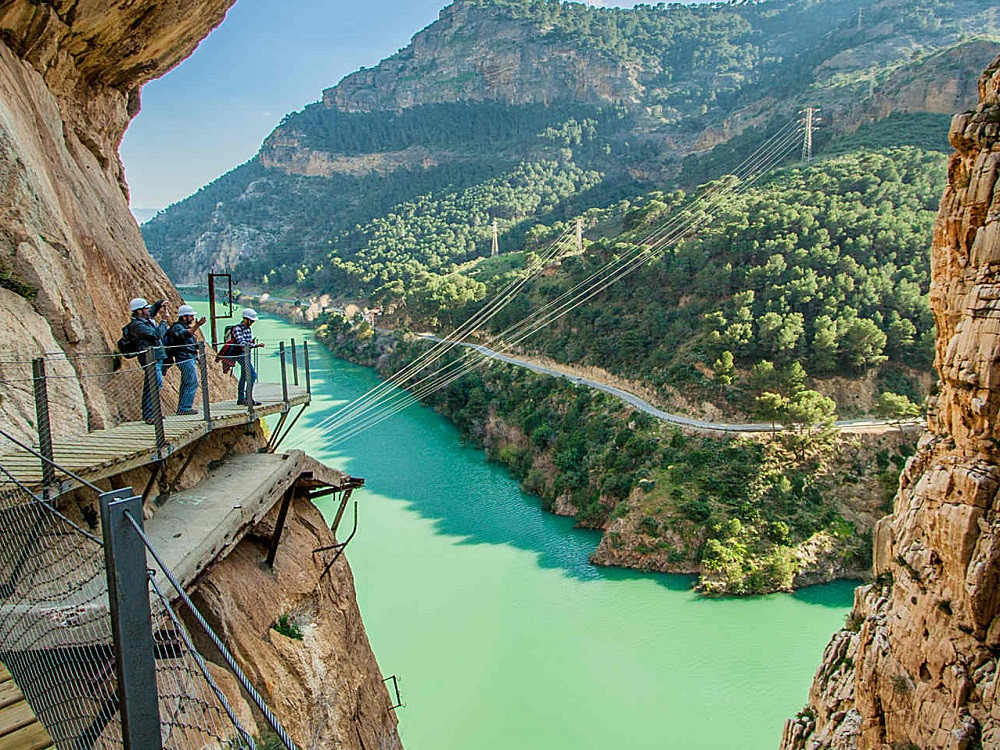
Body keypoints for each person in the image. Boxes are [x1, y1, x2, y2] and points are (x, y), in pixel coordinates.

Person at [127, 297, 169, 423]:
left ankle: (152, 413)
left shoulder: (144, 320)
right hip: (150, 358)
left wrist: (159, 304)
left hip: (155, 357)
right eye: (146, 308)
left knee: (153, 384)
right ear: (139, 311)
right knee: (154, 384)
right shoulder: (137, 325)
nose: (148, 310)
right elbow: (157, 335)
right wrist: (164, 321)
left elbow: (152, 311)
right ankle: (149, 414)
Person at [167, 305, 207, 415]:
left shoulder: (183, 327)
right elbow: (183, 336)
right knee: (191, 382)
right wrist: (197, 326)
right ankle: (184, 408)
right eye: (191, 316)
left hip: (188, 357)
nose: (193, 318)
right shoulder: (178, 327)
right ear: (184, 317)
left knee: (187, 382)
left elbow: (189, 342)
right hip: (184, 358)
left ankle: (183, 407)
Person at [232, 308, 265, 405]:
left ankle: (241, 399)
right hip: (240, 354)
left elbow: (246, 342)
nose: (252, 323)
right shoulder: (237, 328)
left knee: (244, 376)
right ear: (245, 319)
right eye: (251, 321)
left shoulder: (248, 329)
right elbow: (242, 343)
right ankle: (248, 399)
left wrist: (251, 343)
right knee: (252, 375)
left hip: (247, 354)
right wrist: (255, 345)